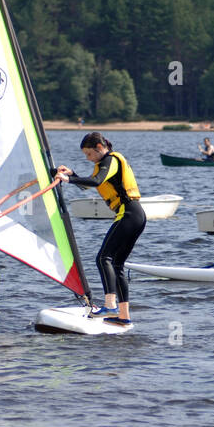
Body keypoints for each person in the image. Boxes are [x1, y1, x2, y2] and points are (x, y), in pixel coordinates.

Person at [56, 132, 144, 325]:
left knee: (103, 258)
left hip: (128, 213)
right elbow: (90, 185)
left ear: (99, 147)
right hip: (135, 215)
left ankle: (110, 305)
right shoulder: (104, 164)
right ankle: (123, 316)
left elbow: (95, 181)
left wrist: (67, 180)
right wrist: (72, 175)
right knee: (117, 265)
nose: (88, 158)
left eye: (89, 154)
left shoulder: (111, 160)